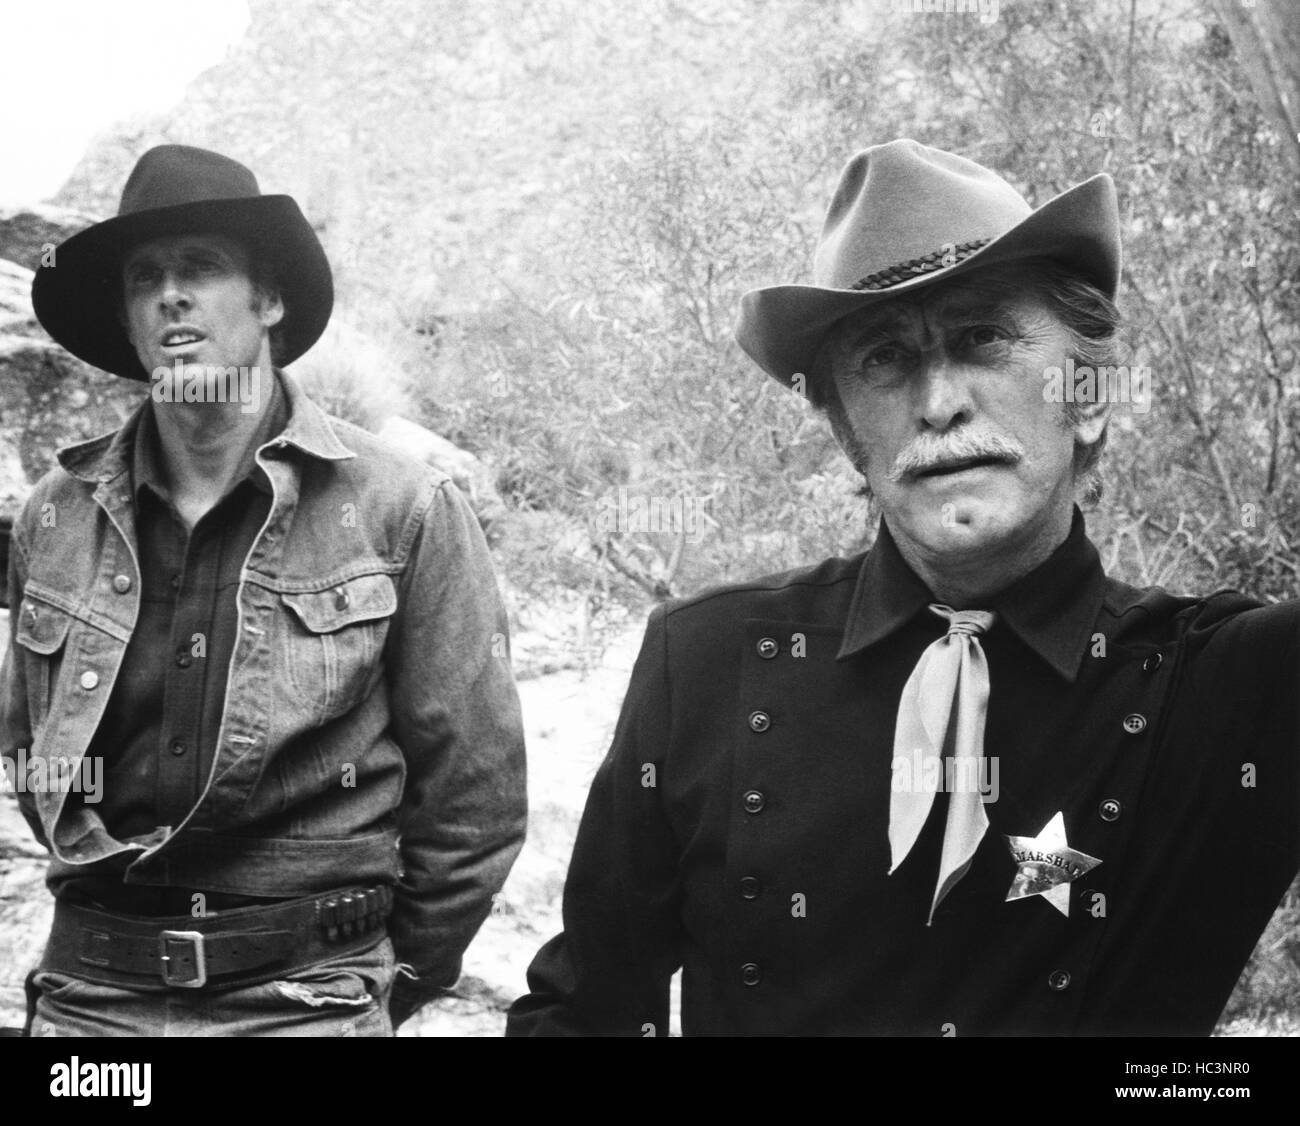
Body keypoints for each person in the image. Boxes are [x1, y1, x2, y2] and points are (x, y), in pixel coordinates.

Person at [506, 138, 1299, 1036]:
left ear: (1088, 395)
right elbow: (583, 1010)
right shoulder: (706, 659)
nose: (939, 402)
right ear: (849, 434)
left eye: (984, 337)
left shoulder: (1232, 689)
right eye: (885, 359)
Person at [3, 144, 526, 1036]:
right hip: (93, 1000)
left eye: (201, 268)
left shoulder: (404, 506)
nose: (170, 294)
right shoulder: (56, 515)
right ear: (127, 320)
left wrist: (386, 987)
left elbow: (474, 797)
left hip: (304, 999)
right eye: (144, 277)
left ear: (269, 300)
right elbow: (30, 747)